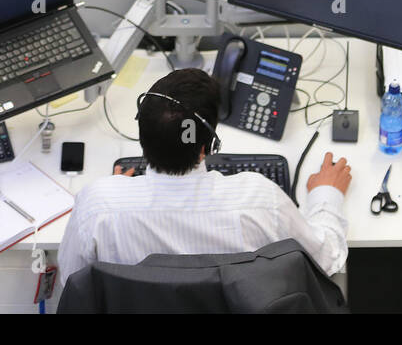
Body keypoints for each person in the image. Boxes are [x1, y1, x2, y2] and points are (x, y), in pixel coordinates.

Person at [57, 69, 350, 285]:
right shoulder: (260, 200)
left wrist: (117, 191)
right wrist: (326, 194)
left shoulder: (97, 206)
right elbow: (326, 259)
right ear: (206, 145)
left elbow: (73, 282)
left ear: (142, 135)